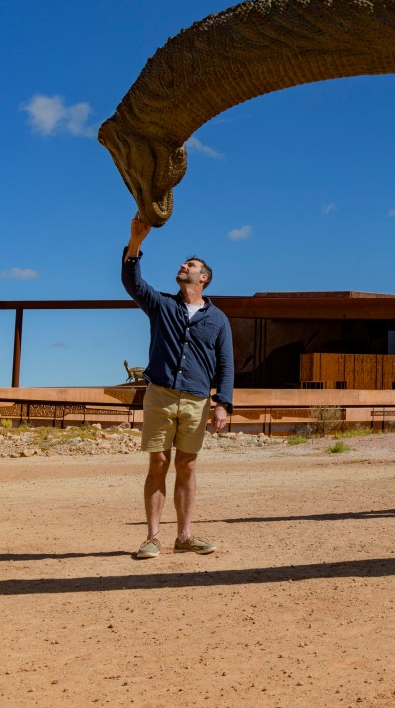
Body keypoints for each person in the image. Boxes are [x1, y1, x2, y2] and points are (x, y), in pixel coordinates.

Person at [122, 215, 234, 559]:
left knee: (187, 464)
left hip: (198, 400)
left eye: (192, 264)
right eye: (184, 262)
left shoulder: (218, 319)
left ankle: (184, 536)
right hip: (160, 396)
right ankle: (153, 537)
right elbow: (133, 283)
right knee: (158, 462)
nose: (184, 265)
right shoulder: (162, 306)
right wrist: (135, 241)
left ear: (204, 278)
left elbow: (226, 364)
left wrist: (223, 403)